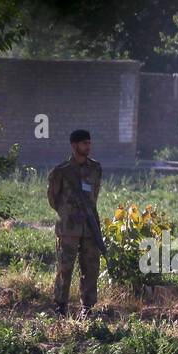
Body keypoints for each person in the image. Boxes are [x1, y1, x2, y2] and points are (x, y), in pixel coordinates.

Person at [47, 129, 103, 316]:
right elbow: (53, 198)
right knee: (65, 267)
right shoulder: (61, 171)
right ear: (74, 145)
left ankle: (87, 307)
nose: (88, 146)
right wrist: (67, 213)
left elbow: (94, 195)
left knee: (91, 267)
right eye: (84, 143)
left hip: (89, 227)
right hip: (68, 228)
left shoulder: (95, 168)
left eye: (89, 142)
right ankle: (61, 305)